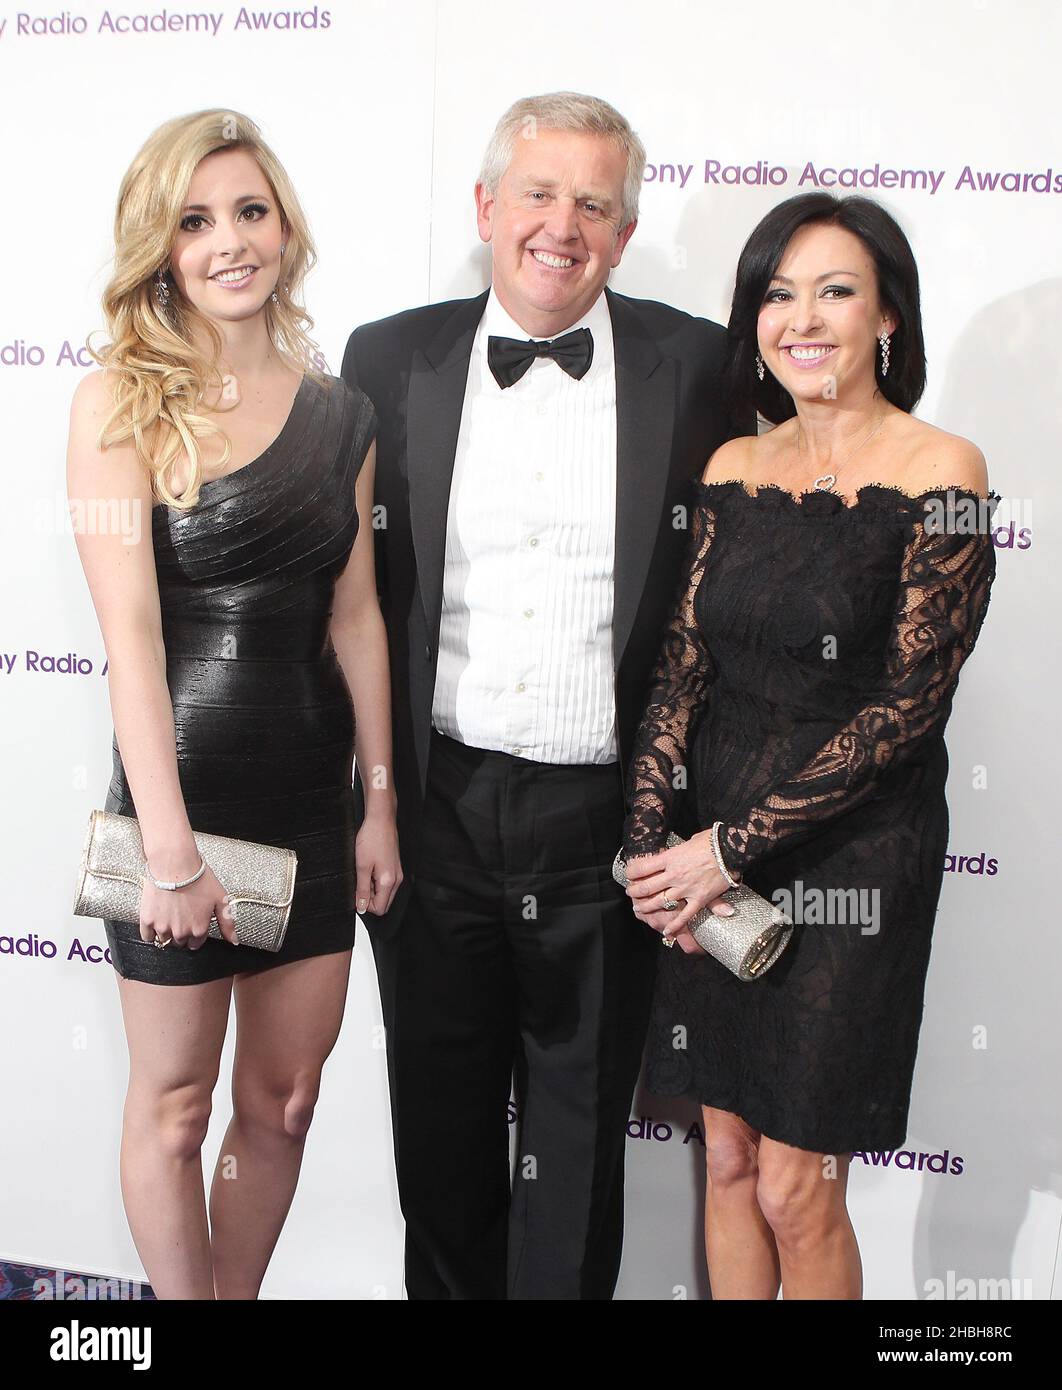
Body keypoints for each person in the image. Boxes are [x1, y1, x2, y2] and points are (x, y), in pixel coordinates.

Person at [341, 91, 749, 1299]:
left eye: (594, 203)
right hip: (435, 810)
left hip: (608, 828)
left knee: (576, 1153)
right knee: (441, 1139)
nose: (561, 225)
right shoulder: (385, 356)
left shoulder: (699, 364)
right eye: (537, 191)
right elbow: (356, 604)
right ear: (484, 208)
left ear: (624, 234)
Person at [619, 191, 998, 1299]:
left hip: (851, 863)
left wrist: (724, 852)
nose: (804, 317)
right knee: (727, 1157)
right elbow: (683, 669)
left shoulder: (951, 471)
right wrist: (654, 848)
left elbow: (908, 706)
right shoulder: (733, 466)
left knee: (796, 1182)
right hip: (707, 860)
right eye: (779, 293)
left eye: (836, 289)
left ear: (888, 314)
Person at [67, 108, 399, 1299]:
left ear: (285, 227)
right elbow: (131, 640)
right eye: (195, 220)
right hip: (181, 803)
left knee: (284, 1102)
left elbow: (354, 618)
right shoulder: (119, 405)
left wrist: (379, 807)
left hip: (314, 799)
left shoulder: (344, 414)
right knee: (173, 1106)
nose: (228, 242)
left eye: (249, 211)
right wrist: (166, 851)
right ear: (161, 247)